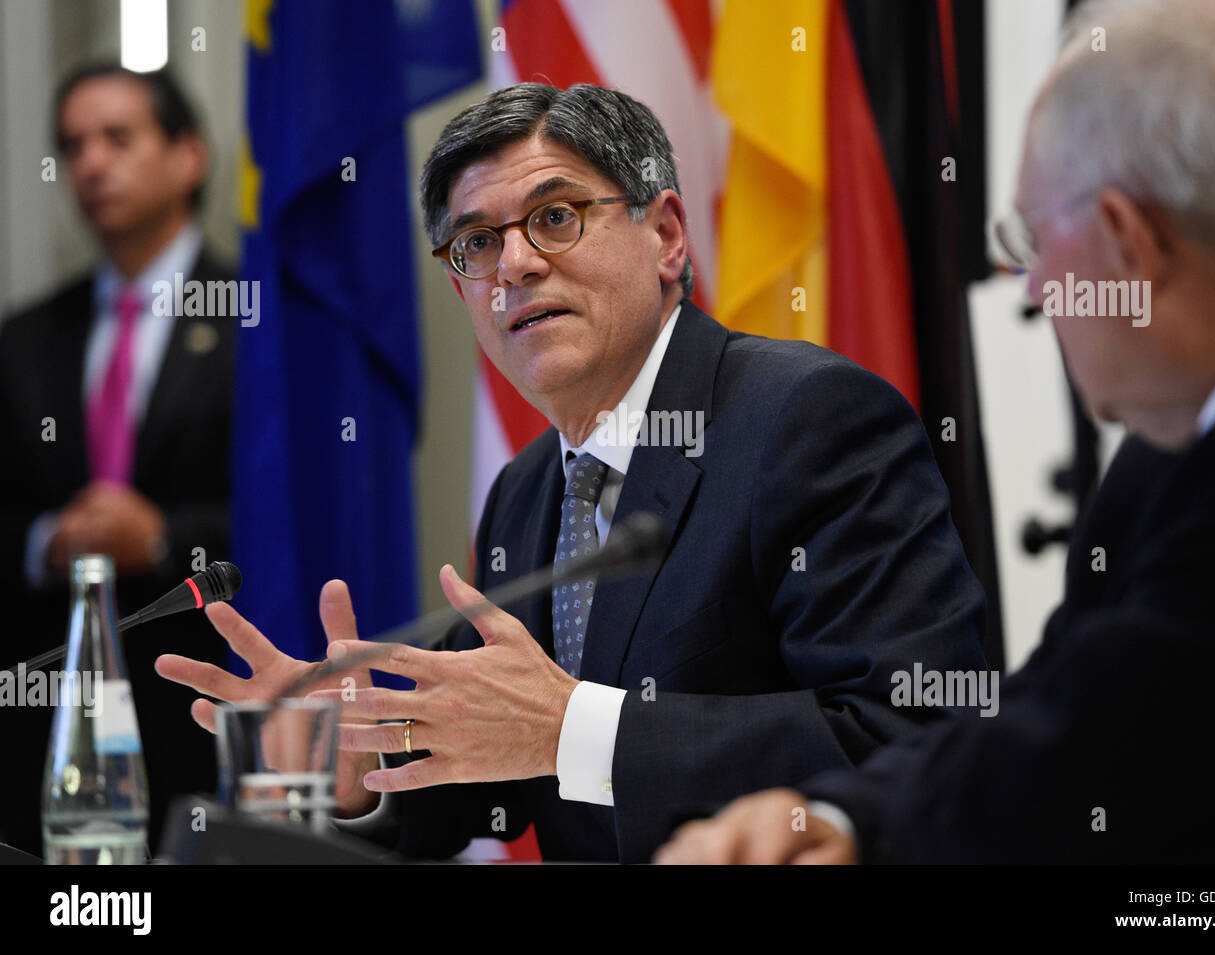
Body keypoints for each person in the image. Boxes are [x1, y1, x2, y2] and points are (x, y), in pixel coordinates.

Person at [156, 82, 989, 862]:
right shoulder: (526, 491)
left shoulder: (810, 417)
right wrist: (352, 767)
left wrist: (574, 728)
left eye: (554, 217)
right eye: (477, 243)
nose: (513, 265)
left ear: (665, 237)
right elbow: (488, 769)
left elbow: (914, 735)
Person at [654, 0, 1215, 864]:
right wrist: (842, 816)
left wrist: (863, 830)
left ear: (1125, 240)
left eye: (1029, 238)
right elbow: (1058, 696)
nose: (1031, 293)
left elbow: (1098, 749)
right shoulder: (1168, 455)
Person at [0, 64, 234, 855]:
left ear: (188, 156)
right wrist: (46, 542)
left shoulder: (259, 324)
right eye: (72, 146)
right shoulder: (27, 336)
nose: (91, 164)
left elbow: (293, 519)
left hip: (205, 713)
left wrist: (166, 538)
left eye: (118, 138)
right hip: (49, 732)